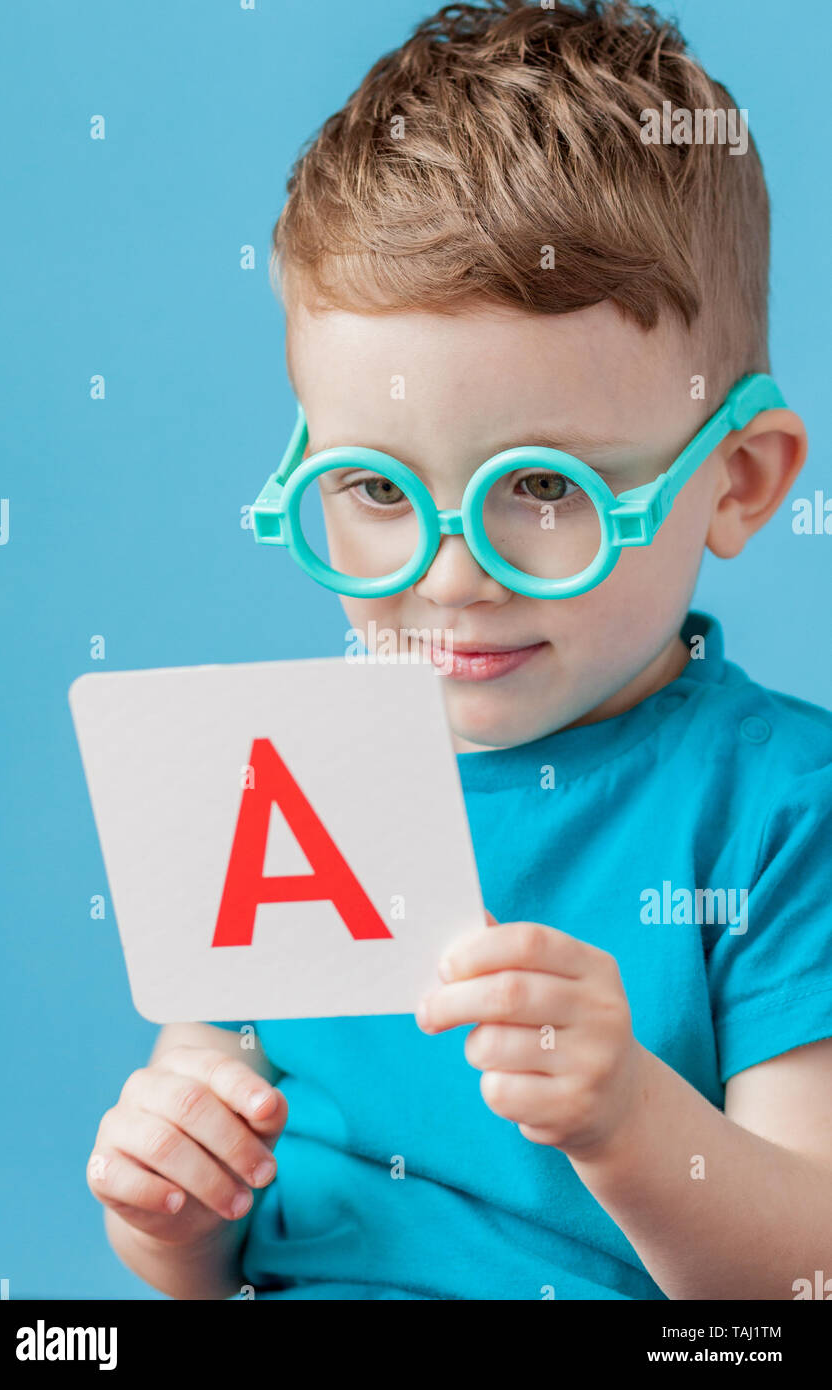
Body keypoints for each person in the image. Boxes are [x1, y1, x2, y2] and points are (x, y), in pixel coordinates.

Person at [87, 0, 832, 1300]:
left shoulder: (775, 812)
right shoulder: (282, 774)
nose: (452, 576)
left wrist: (630, 1123)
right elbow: (203, 1242)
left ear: (735, 480)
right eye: (376, 493)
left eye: (543, 490)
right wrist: (168, 1212)